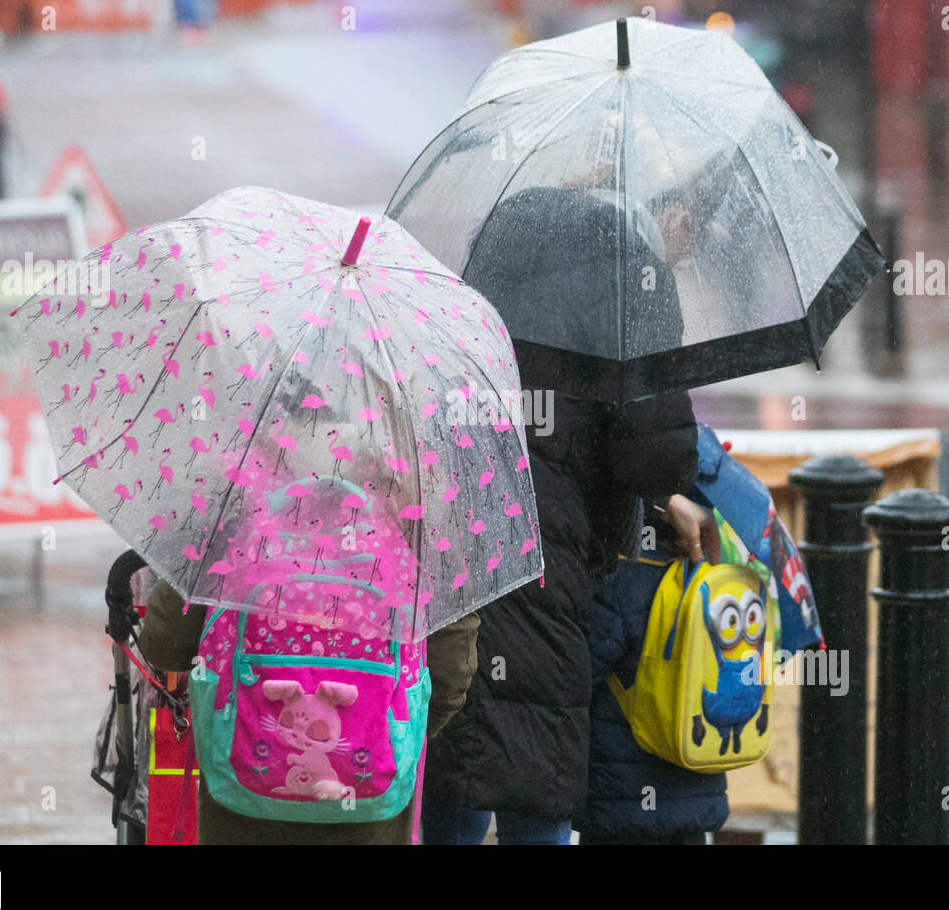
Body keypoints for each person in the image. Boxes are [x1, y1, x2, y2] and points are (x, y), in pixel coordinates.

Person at [420, 186, 721, 844]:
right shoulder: (632, 275)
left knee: (455, 739)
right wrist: (673, 494)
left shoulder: (492, 240)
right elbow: (655, 450)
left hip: (456, 523)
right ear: (661, 209)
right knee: (537, 753)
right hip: (550, 545)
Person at [138, 579, 479, 844]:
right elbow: (452, 670)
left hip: (239, 800)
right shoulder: (415, 522)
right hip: (372, 813)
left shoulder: (235, 512)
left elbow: (165, 643)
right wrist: (393, 737)